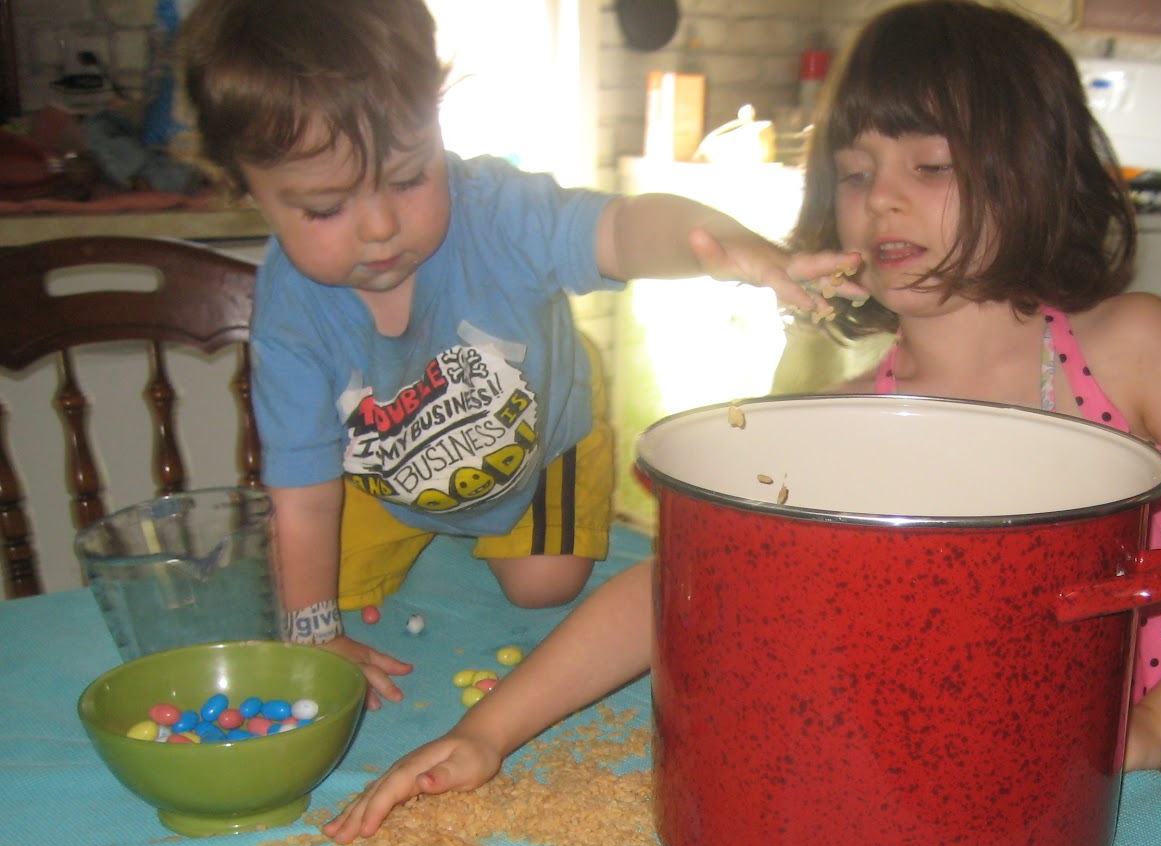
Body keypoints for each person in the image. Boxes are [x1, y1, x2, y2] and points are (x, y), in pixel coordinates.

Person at [329, 0, 1161, 846]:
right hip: (1036, 789)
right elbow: (683, 582)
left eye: (930, 167)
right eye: (859, 169)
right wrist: (486, 732)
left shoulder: (1128, 347)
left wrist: (1153, 727)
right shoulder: (851, 419)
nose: (882, 202)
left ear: (1032, 168)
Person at [179, 0, 857, 710]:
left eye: (410, 177)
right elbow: (304, 497)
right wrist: (314, 634)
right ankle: (425, 523)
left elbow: (621, 229)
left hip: (540, 440)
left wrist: (713, 238)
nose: (380, 228)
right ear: (244, 190)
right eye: (325, 208)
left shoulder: (496, 209)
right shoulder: (289, 315)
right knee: (310, 597)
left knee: (544, 587)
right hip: (385, 468)